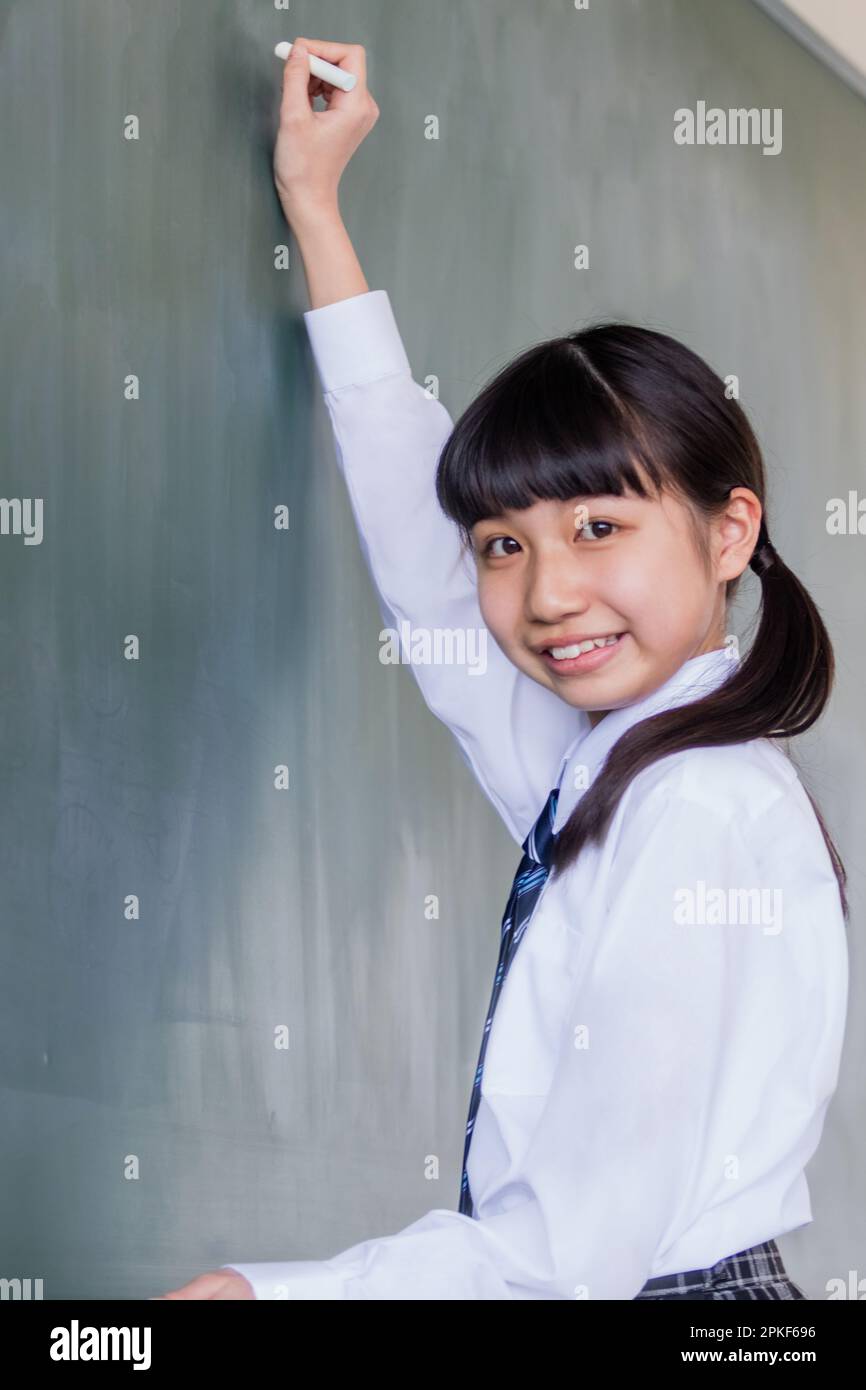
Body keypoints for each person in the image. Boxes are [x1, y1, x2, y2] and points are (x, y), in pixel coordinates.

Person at [159, 36, 848, 1302]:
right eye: (505, 545)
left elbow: (565, 1253)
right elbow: (426, 572)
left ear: (727, 530)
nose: (543, 594)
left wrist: (271, 1296)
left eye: (598, 529)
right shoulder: (620, 767)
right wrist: (315, 207)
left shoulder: (693, 811)